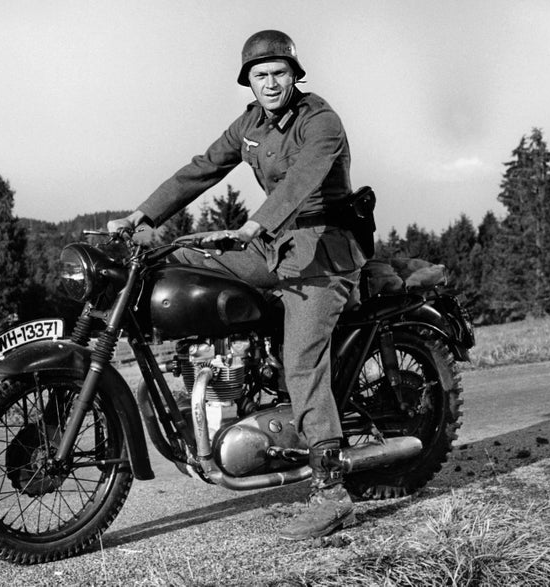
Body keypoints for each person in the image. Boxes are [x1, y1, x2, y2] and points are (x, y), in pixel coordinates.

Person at [108, 30, 368, 540]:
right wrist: (141, 215)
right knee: (178, 261)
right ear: (247, 81)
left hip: (323, 254)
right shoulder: (249, 124)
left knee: (302, 362)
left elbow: (302, 182)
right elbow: (203, 169)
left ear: (296, 75)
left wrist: (255, 224)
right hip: (272, 251)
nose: (270, 83)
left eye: (280, 73)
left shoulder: (321, 120)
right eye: (260, 75)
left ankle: (334, 494)